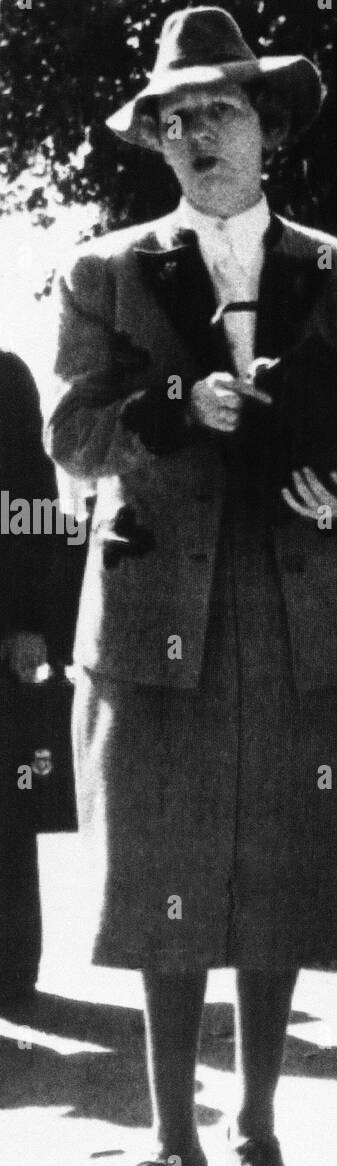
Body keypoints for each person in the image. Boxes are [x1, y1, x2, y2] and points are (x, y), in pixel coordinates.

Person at [48, 6, 337, 1166]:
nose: (196, 132)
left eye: (221, 110)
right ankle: (170, 1148)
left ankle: (258, 1134)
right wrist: (168, 403)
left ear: (273, 130)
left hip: (304, 610)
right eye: (174, 118)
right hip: (161, 615)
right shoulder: (104, 270)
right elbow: (69, 436)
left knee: (280, 881)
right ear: (153, 141)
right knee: (164, 884)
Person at [0, 351, 62, 1005]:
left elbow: (33, 506)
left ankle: (12, 969)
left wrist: (29, 623)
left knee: (5, 810)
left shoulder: (3, 377)